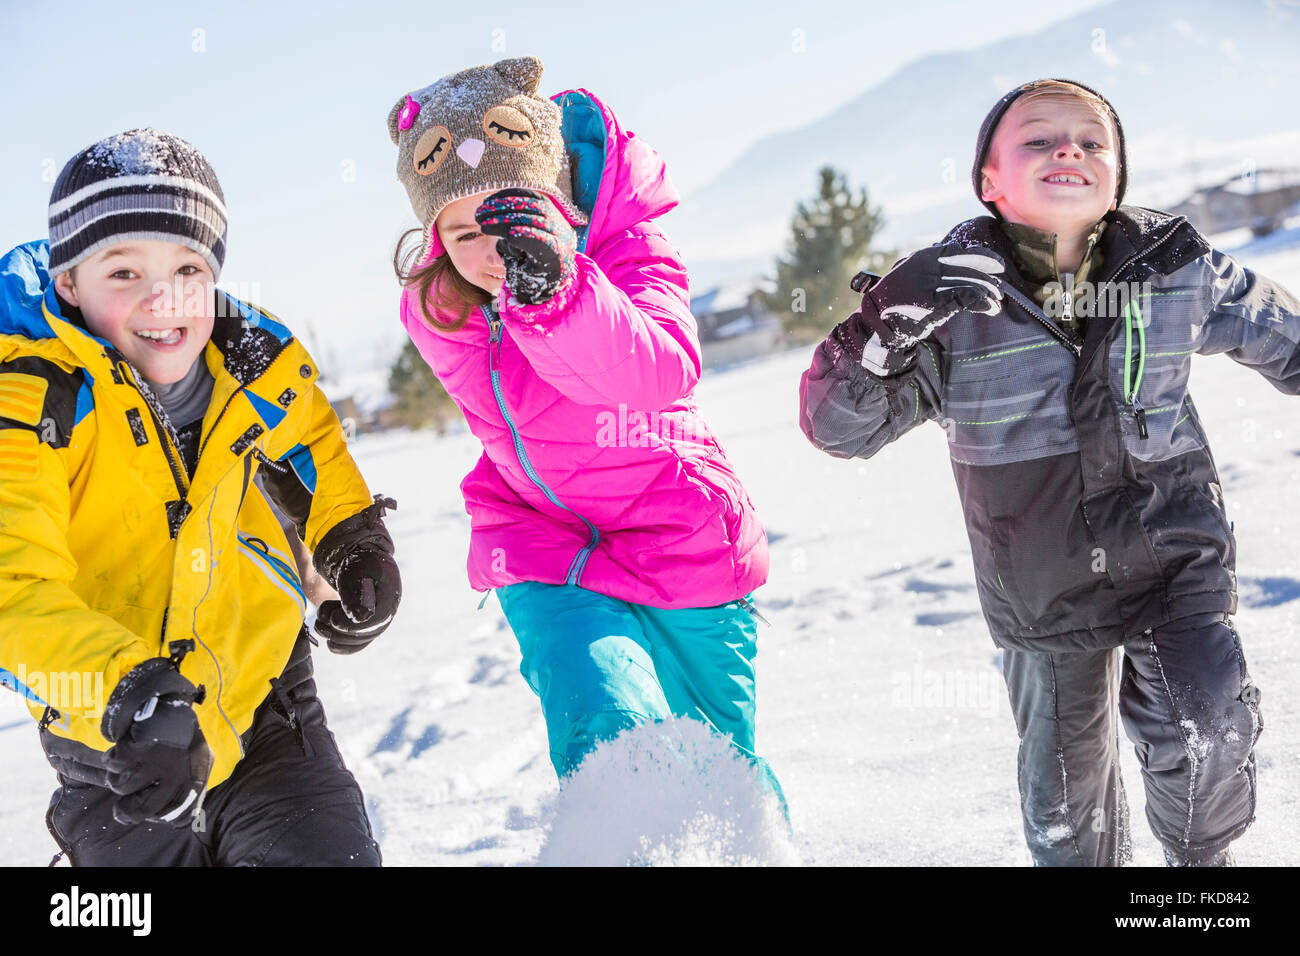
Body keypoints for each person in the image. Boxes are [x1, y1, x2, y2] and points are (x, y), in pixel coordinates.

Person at [798, 79, 1294, 866]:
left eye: (1093, 141)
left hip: (1172, 553)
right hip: (1040, 582)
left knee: (1209, 725)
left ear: (1119, 176)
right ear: (989, 183)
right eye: (1039, 139)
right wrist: (876, 333)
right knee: (1067, 800)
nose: (1070, 149)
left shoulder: (1171, 265)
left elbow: (1281, 332)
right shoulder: (946, 299)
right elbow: (838, 429)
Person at [0, 129, 402, 866]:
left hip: (266, 708)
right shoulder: (31, 405)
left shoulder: (253, 368)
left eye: (188, 267)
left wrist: (354, 540)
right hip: (115, 743)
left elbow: (309, 440)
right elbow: (12, 589)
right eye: (123, 271)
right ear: (68, 283)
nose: (163, 298)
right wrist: (127, 695)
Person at [386, 56, 782, 803]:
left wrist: (559, 295)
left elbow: (656, 379)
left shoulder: (631, 250)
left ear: (557, 195)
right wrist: (520, 298)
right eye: (465, 230)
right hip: (543, 542)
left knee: (717, 766)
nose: (492, 249)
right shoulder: (442, 307)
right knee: (610, 732)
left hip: (681, 537)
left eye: (511, 214)